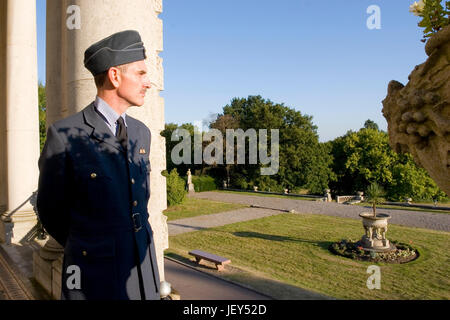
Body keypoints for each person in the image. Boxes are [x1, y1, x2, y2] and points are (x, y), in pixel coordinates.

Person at [36, 30, 160, 300]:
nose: (148, 83)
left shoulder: (141, 133)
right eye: (140, 73)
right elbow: (50, 210)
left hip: (142, 266)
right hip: (94, 272)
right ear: (115, 76)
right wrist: (89, 242)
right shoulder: (66, 134)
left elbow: (140, 199)